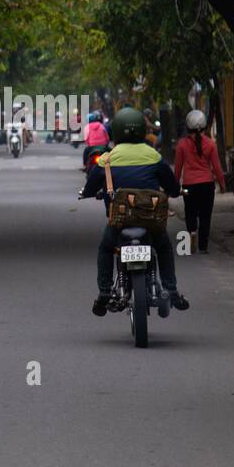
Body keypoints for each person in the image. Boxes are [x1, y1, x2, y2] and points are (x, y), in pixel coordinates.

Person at [81, 107, 189, 315]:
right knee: (164, 248)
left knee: (105, 249)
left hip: (119, 222)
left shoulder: (107, 158)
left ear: (116, 132)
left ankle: (104, 292)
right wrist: (176, 191)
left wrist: (88, 193)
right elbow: (173, 188)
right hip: (151, 222)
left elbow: (90, 188)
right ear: (141, 129)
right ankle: (171, 289)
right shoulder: (154, 156)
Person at [173, 109, 226, 254]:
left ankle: (192, 232)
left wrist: (175, 186)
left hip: (188, 186)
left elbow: (177, 169)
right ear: (204, 127)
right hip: (207, 186)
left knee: (190, 212)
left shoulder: (182, 144)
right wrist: (222, 185)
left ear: (187, 127)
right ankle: (203, 246)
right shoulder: (210, 144)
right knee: (205, 215)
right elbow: (217, 168)